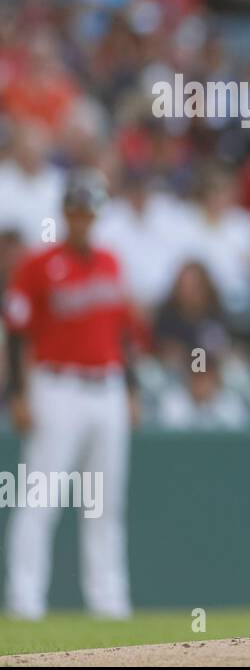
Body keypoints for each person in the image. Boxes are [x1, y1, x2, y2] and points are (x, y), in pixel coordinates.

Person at [4, 171, 138, 620]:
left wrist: (132, 390)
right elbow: (17, 333)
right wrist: (16, 394)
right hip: (56, 386)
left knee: (105, 503)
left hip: (107, 388)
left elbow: (124, 333)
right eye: (77, 209)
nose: (83, 217)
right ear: (65, 213)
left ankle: (109, 603)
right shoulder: (38, 266)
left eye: (90, 210)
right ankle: (25, 601)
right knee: (40, 498)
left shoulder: (111, 262)